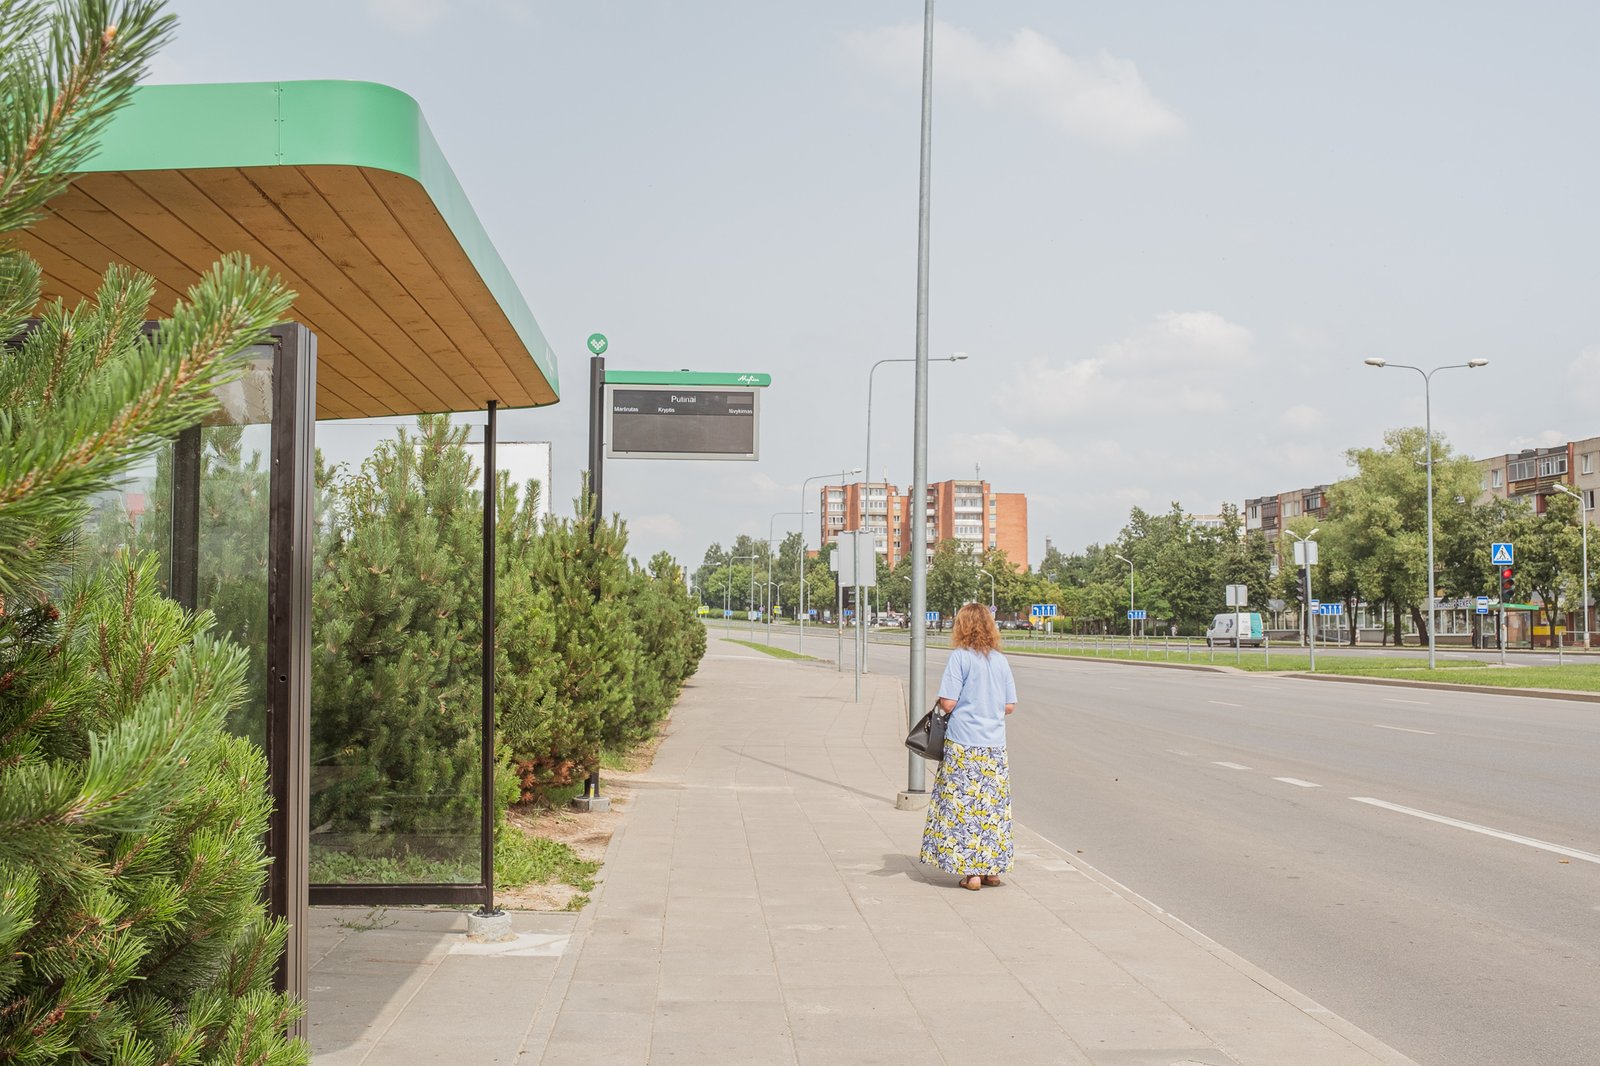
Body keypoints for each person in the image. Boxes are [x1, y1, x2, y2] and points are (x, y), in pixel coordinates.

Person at [919, 602, 1017, 891]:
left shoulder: (960, 657)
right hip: (994, 746)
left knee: (963, 807)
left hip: (963, 744)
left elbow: (948, 702)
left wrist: (951, 704)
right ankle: (992, 871)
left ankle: (971, 873)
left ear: (961, 626)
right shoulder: (1000, 660)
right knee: (991, 808)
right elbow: (1009, 706)